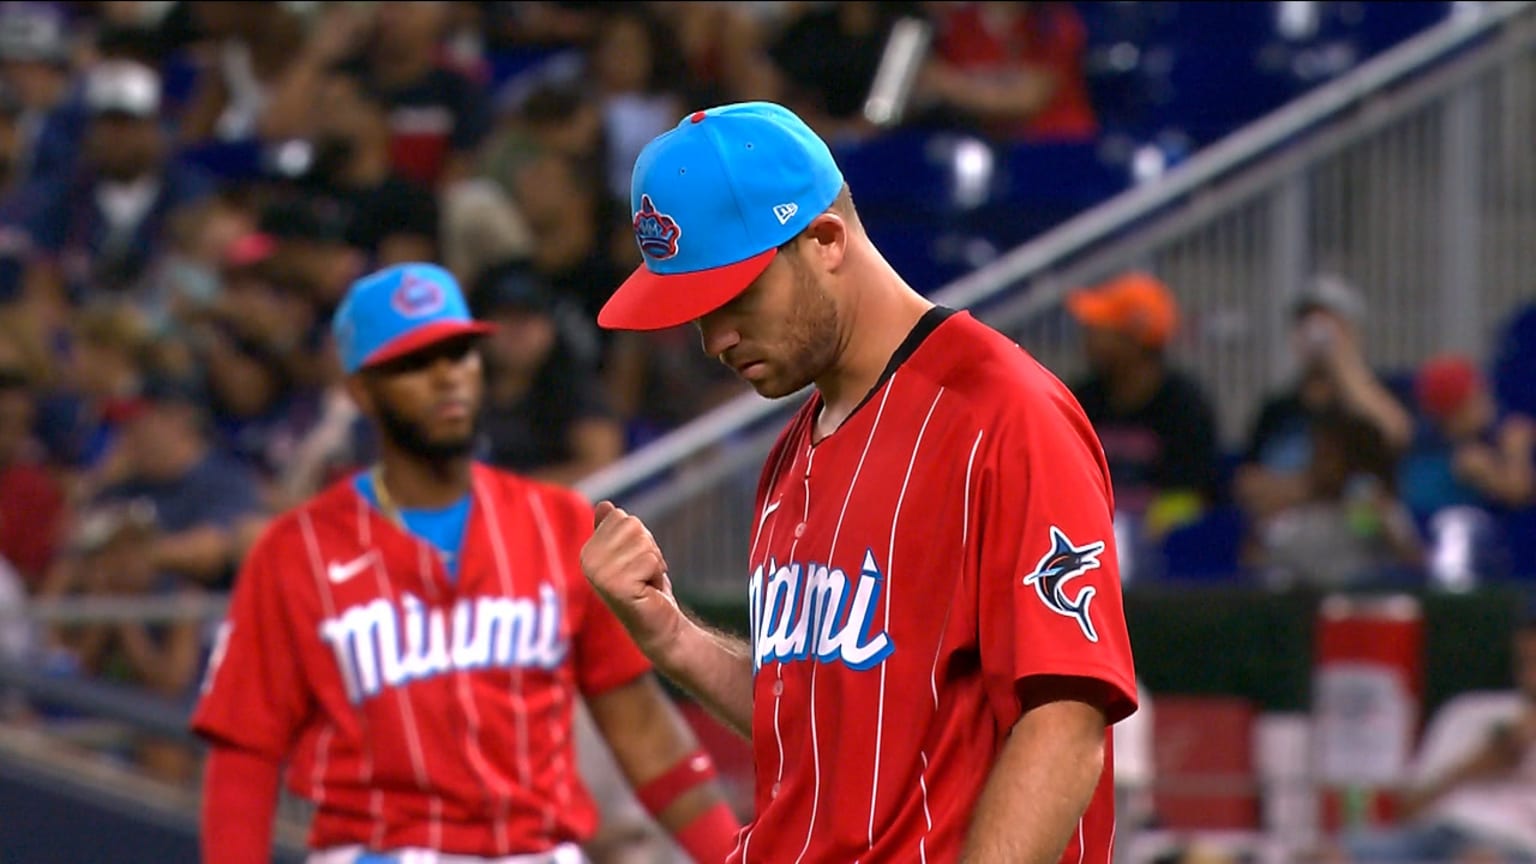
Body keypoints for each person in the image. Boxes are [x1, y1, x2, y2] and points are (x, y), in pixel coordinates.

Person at [582, 101, 1138, 863]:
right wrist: (672, 636)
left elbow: (1065, 724)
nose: (715, 339)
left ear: (825, 240)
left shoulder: (1003, 415)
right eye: (696, 313)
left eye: (733, 297)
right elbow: (825, 730)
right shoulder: (790, 453)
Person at [191, 263, 742, 864]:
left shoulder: (557, 523)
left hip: (536, 852)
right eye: (414, 363)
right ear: (361, 392)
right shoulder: (295, 551)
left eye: (458, 354)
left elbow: (645, 733)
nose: (446, 377)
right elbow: (244, 756)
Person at [1340, 603, 1536, 862]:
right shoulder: (1469, 711)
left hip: (1514, 846)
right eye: (1525, 663)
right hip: (1436, 834)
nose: (1532, 677)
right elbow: (1406, 811)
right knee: (1329, 855)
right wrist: (1476, 765)